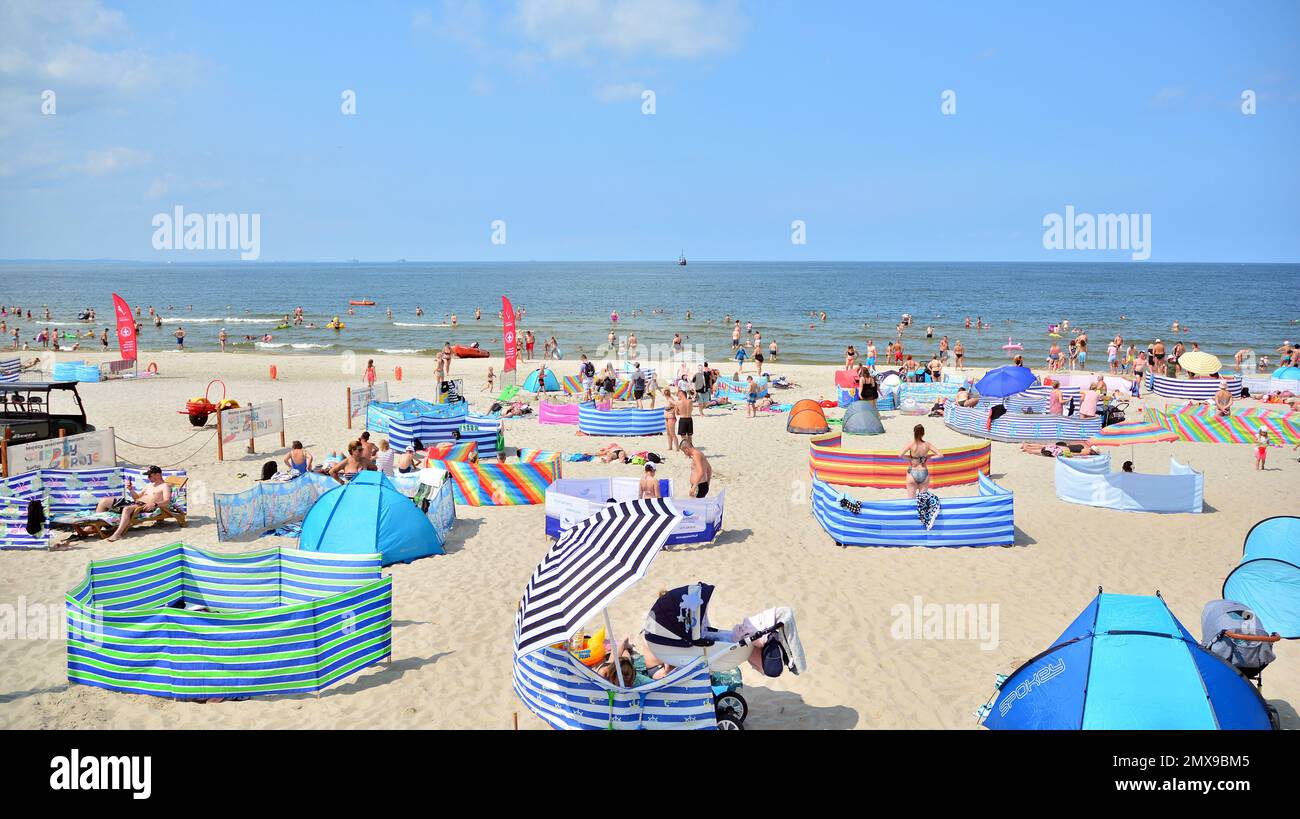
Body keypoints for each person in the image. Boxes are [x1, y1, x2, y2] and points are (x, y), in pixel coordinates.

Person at [94, 465, 172, 542]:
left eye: (150, 476)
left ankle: (118, 534)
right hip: (134, 503)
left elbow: (167, 500)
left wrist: (155, 504)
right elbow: (137, 498)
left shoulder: (165, 486)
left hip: (143, 507)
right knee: (103, 501)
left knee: (127, 509)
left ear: (158, 474)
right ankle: (95, 525)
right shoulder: (149, 485)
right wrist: (131, 489)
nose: (148, 478)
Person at [901, 424, 943, 498]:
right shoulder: (927, 444)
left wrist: (909, 459)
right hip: (924, 472)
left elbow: (900, 455)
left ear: (914, 432)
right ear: (923, 433)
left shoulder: (911, 444)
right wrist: (930, 458)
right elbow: (940, 455)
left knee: (910, 500)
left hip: (912, 471)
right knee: (922, 500)